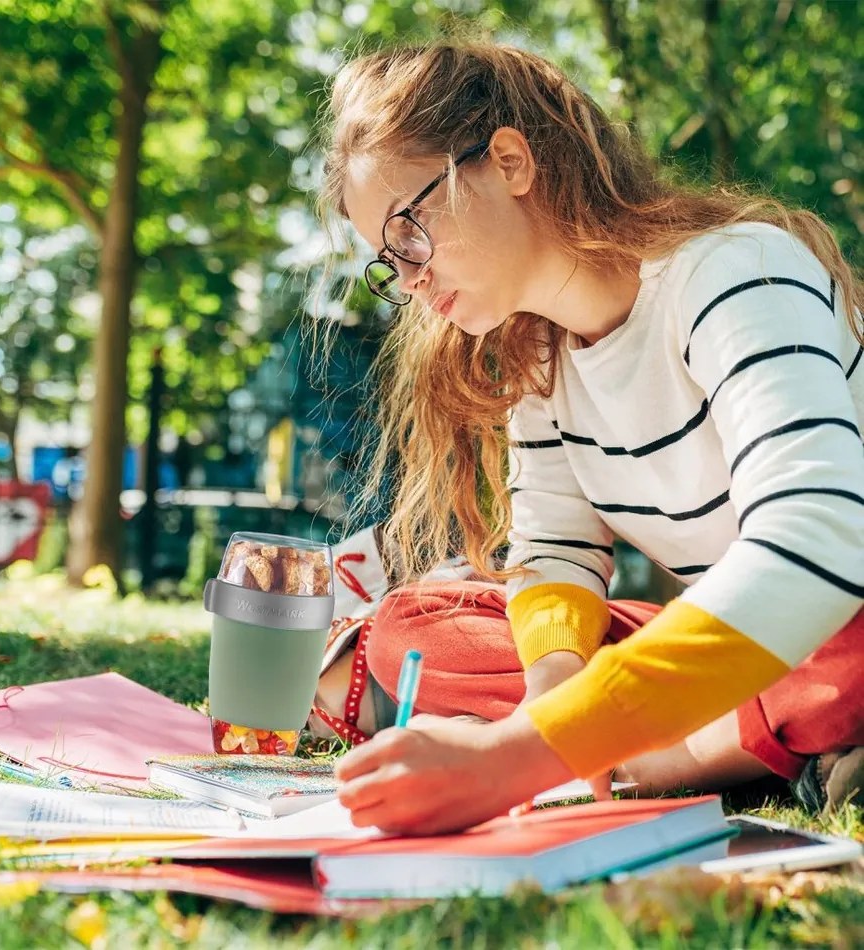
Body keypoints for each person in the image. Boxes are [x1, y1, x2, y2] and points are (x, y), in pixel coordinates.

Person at [314, 41, 864, 834]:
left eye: (408, 230)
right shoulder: (538, 358)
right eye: (386, 260)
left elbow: (820, 542)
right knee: (414, 627)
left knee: (841, 647)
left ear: (508, 161)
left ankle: (693, 746)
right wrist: (549, 697)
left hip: (835, 602)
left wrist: (518, 757)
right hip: (766, 650)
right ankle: (765, 744)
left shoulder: (734, 273)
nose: (407, 278)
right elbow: (556, 559)